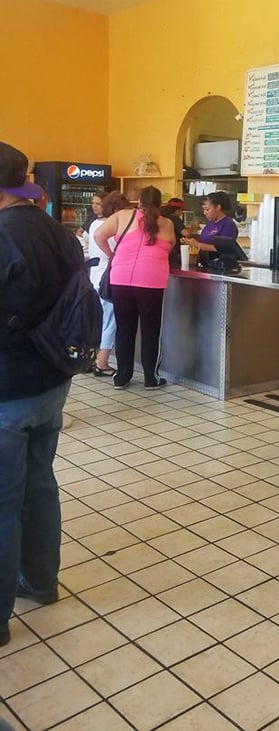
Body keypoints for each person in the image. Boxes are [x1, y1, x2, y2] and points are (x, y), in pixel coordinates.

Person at [0, 142, 84, 647]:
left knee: (3, 501)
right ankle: (40, 582)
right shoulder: (59, 232)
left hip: (7, 387)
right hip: (53, 380)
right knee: (39, 484)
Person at [94, 185, 175, 390]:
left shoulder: (123, 216)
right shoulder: (167, 223)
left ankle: (122, 377)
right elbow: (170, 247)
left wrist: (111, 254)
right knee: (150, 331)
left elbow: (98, 235)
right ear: (160, 204)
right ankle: (150, 379)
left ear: (139, 202)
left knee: (124, 329)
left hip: (121, 279)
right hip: (151, 281)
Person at [88, 190, 129, 376]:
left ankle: (92, 357)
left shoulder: (94, 224)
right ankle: (102, 362)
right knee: (111, 320)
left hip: (94, 276)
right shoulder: (114, 228)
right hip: (109, 278)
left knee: (98, 319)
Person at [185, 190, 238, 258]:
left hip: (219, 262)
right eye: (204, 210)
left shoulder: (228, 224)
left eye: (207, 209)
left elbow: (222, 248)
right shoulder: (210, 223)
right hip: (204, 261)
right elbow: (204, 241)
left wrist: (197, 244)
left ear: (218, 207)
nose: (204, 213)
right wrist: (191, 241)